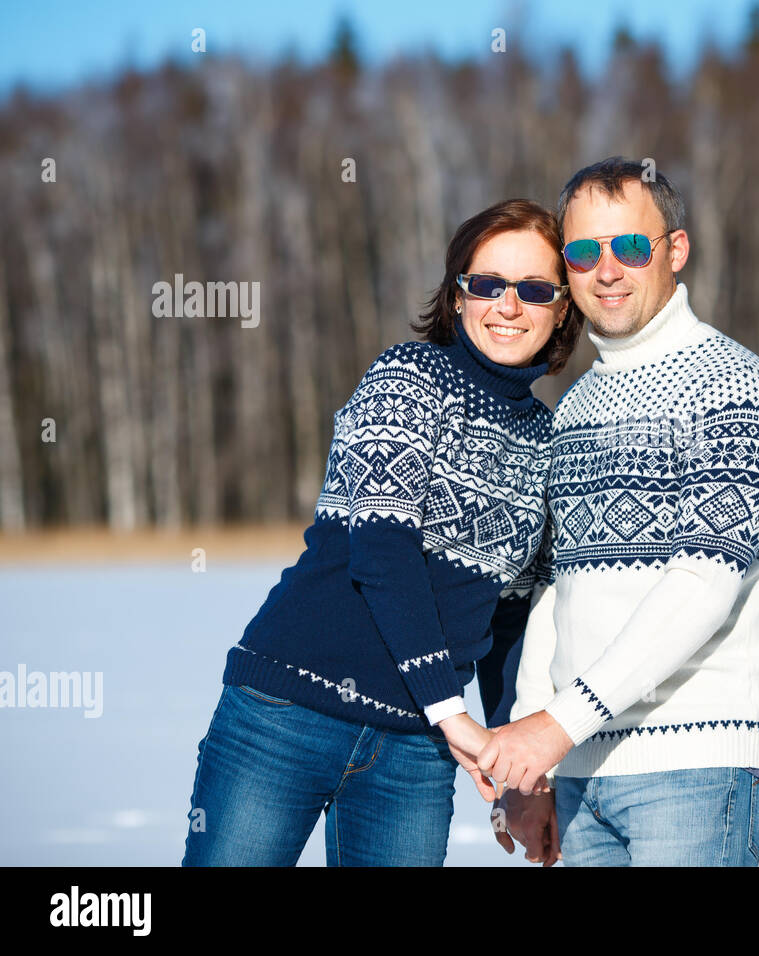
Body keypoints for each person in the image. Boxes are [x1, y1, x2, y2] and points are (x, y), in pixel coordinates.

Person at [182, 198, 581, 866]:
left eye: (535, 289)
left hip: (416, 751)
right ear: (458, 296)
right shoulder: (408, 377)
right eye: (488, 284)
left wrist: (519, 768)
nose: (509, 306)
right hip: (287, 714)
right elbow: (383, 553)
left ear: (562, 309)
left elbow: (510, 622)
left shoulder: (548, 440)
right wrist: (452, 714)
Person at [479, 158, 759, 866]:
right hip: (578, 776)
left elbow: (701, 584)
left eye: (630, 246)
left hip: (695, 768)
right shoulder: (574, 408)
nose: (607, 271)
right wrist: (533, 761)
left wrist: (554, 728)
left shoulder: (734, 387)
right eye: (583, 252)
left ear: (674, 250)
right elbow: (553, 593)